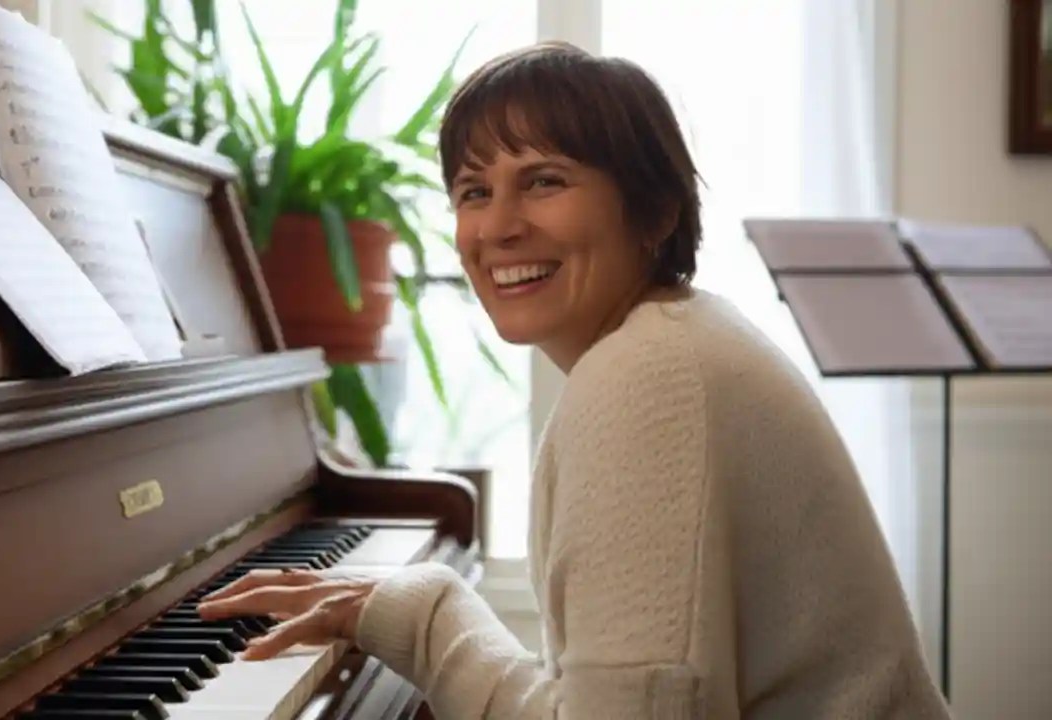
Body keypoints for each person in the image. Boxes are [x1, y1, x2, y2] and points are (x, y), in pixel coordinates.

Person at [198, 42, 953, 719]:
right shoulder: (675, 339)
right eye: (474, 191)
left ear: (654, 210)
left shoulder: (650, 376)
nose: (497, 228)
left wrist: (430, 614)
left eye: (544, 181)